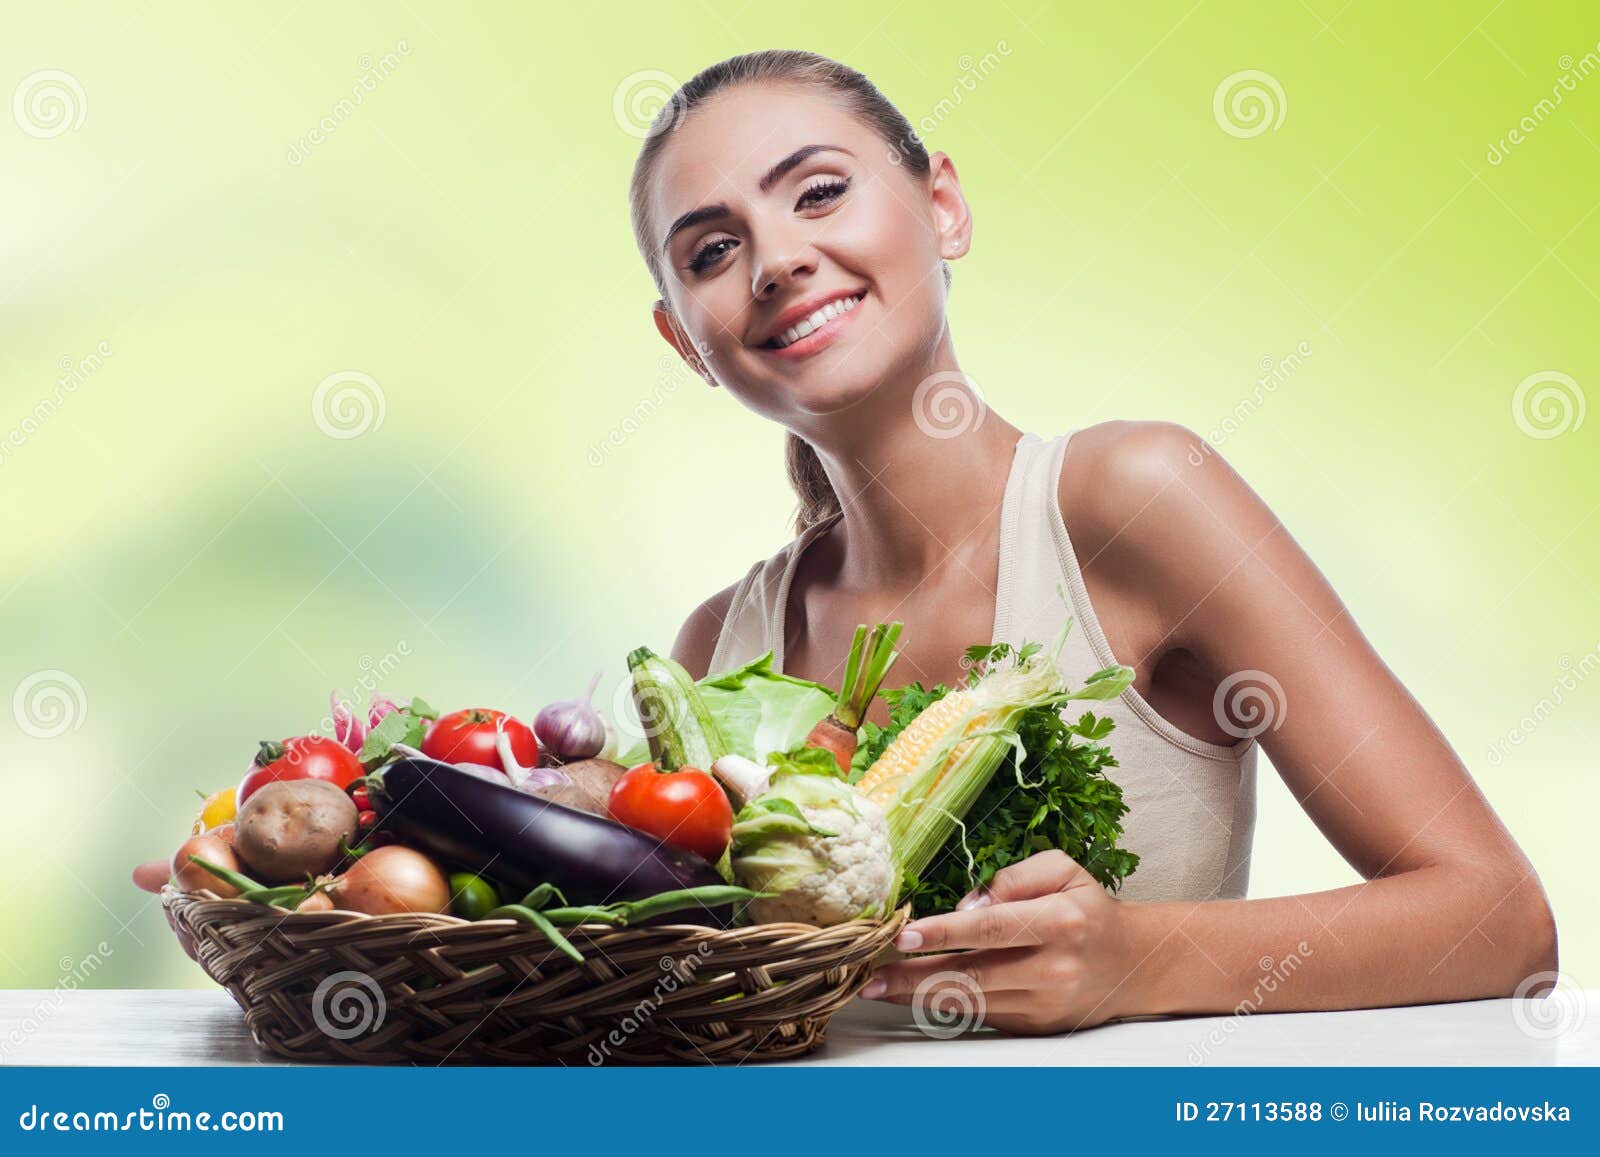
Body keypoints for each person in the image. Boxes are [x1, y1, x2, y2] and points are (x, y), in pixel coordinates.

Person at [629, 49, 1555, 1034]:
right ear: (684, 341)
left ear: (942, 205)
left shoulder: (1135, 500)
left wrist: (1133, 961)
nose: (775, 261)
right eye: (712, 253)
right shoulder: (712, 657)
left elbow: (1498, 918)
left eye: (818, 192)